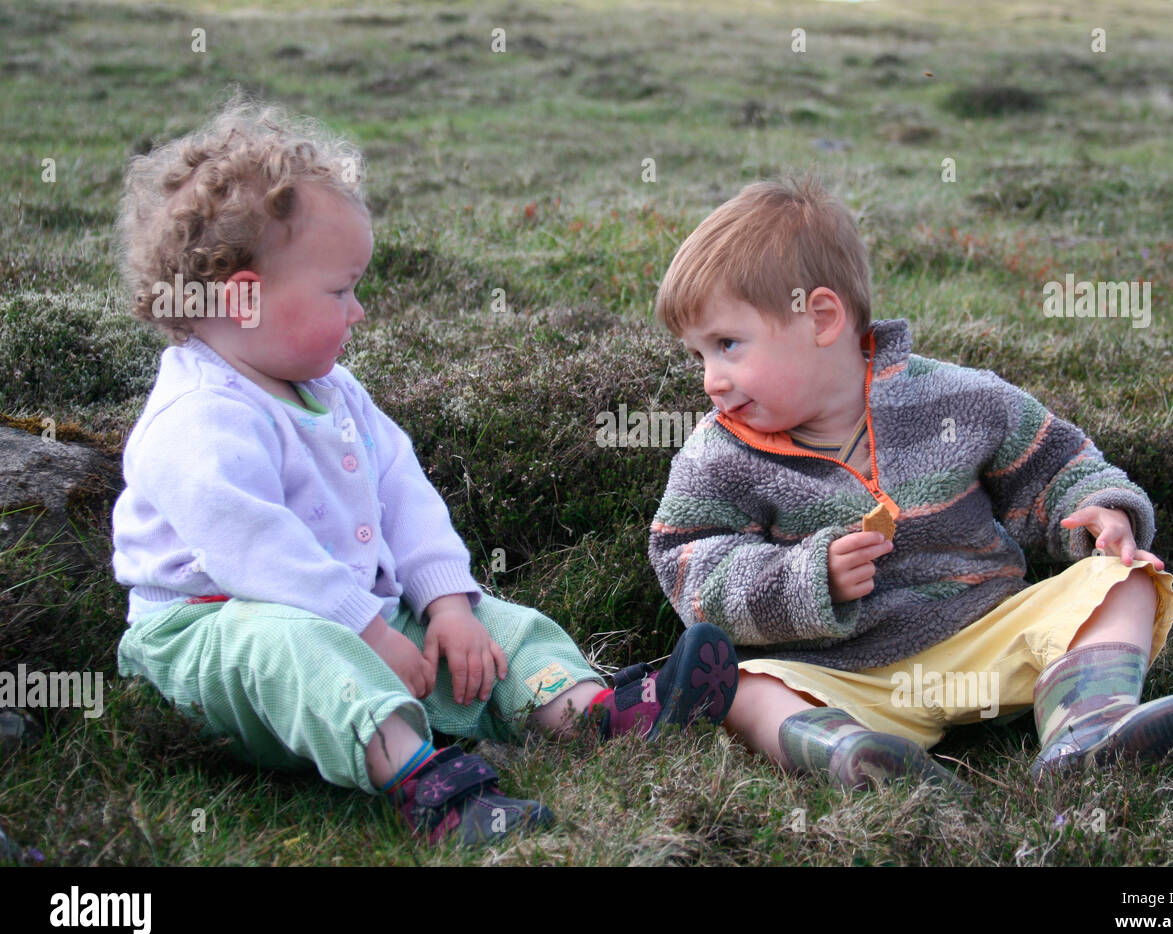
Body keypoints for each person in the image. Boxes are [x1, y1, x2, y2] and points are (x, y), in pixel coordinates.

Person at [110, 96, 738, 847]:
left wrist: (444, 606)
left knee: (502, 625)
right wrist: (367, 630)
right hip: (217, 642)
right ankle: (426, 785)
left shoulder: (333, 392)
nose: (360, 311)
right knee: (299, 650)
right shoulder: (199, 414)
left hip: (361, 616)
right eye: (340, 291)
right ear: (243, 297)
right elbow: (254, 549)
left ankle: (591, 711)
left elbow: (402, 492)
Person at [648, 176, 1173, 794]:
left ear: (820, 317)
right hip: (847, 676)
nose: (712, 380)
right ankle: (851, 752)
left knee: (1124, 580)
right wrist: (807, 578)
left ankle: (1087, 726)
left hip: (989, 644)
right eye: (699, 356)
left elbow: (1053, 460)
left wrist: (1096, 509)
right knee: (745, 687)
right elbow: (689, 565)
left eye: (728, 345)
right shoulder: (719, 452)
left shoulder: (958, 397)